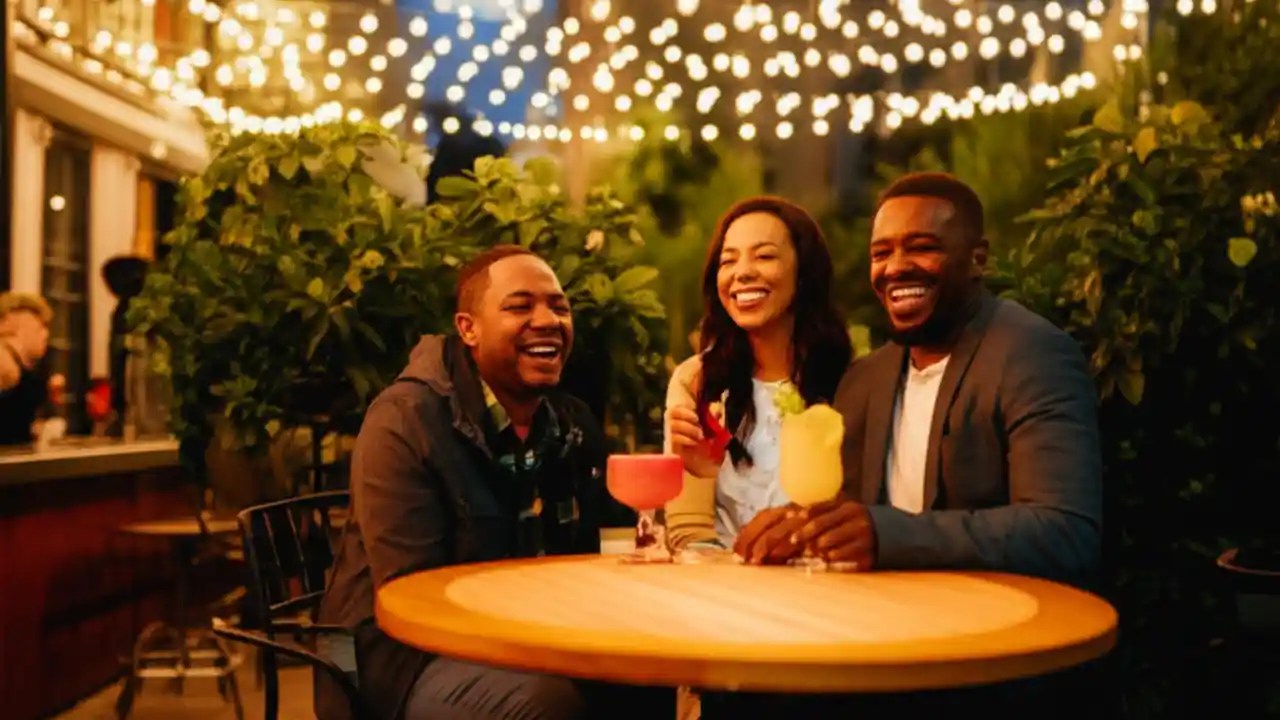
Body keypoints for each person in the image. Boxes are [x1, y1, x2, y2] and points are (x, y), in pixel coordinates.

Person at [712, 172, 1104, 718]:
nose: (896, 268)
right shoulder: (866, 379)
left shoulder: (1032, 355)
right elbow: (847, 518)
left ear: (978, 259)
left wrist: (887, 533)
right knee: (737, 687)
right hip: (874, 643)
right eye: (882, 253)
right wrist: (798, 528)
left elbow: (1064, 531)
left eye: (922, 248)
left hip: (990, 659)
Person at [317, 245, 668, 720]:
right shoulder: (405, 422)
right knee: (544, 706)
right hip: (401, 661)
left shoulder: (569, 422)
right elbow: (410, 594)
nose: (547, 320)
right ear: (469, 329)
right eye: (519, 306)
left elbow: (614, 544)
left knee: (649, 681)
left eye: (559, 306)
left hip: (533, 644)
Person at [661, 196, 853, 552]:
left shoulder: (851, 380)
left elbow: (856, 516)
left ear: (804, 272)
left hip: (825, 582)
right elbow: (690, 532)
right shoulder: (697, 380)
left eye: (764, 256)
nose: (742, 272)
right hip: (721, 585)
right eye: (728, 261)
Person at [0, 292, 53, 446]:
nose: (45, 333)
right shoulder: (5, 360)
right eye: (40, 325)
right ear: (9, 320)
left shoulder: (25, 367)